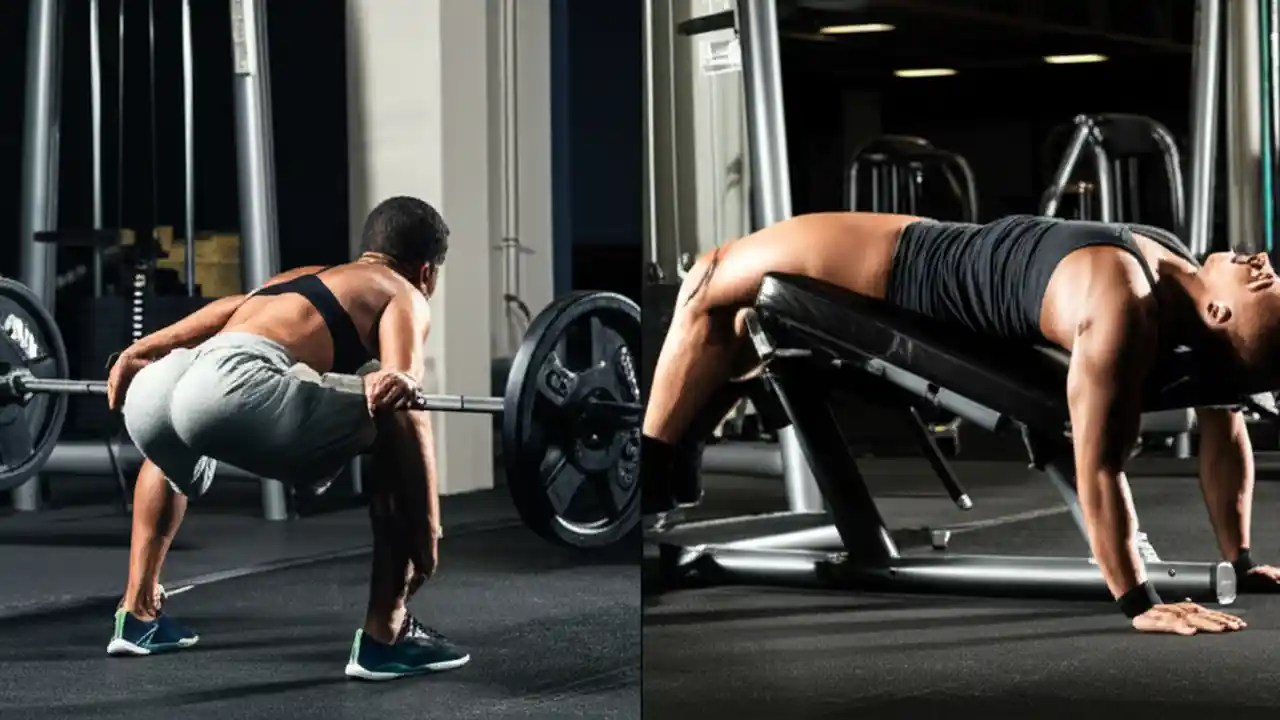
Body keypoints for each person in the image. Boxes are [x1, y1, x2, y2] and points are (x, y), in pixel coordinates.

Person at [643, 211, 1280, 636]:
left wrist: (1137, 601)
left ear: (1221, 314)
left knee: (708, 276)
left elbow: (1099, 462)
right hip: (943, 247)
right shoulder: (1169, 261)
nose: (1263, 262)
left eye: (1264, 284)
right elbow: (1226, 428)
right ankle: (672, 470)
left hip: (903, 266)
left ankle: (651, 472)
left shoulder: (1121, 306)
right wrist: (1241, 559)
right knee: (730, 323)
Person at [103, 195, 471, 680]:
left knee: (174, 449)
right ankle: (388, 633)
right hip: (232, 388)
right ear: (426, 272)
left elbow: (230, 308)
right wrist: (428, 532)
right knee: (393, 419)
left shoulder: (302, 278)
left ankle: (139, 611)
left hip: (160, 389)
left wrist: (139, 350)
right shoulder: (402, 292)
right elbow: (400, 392)